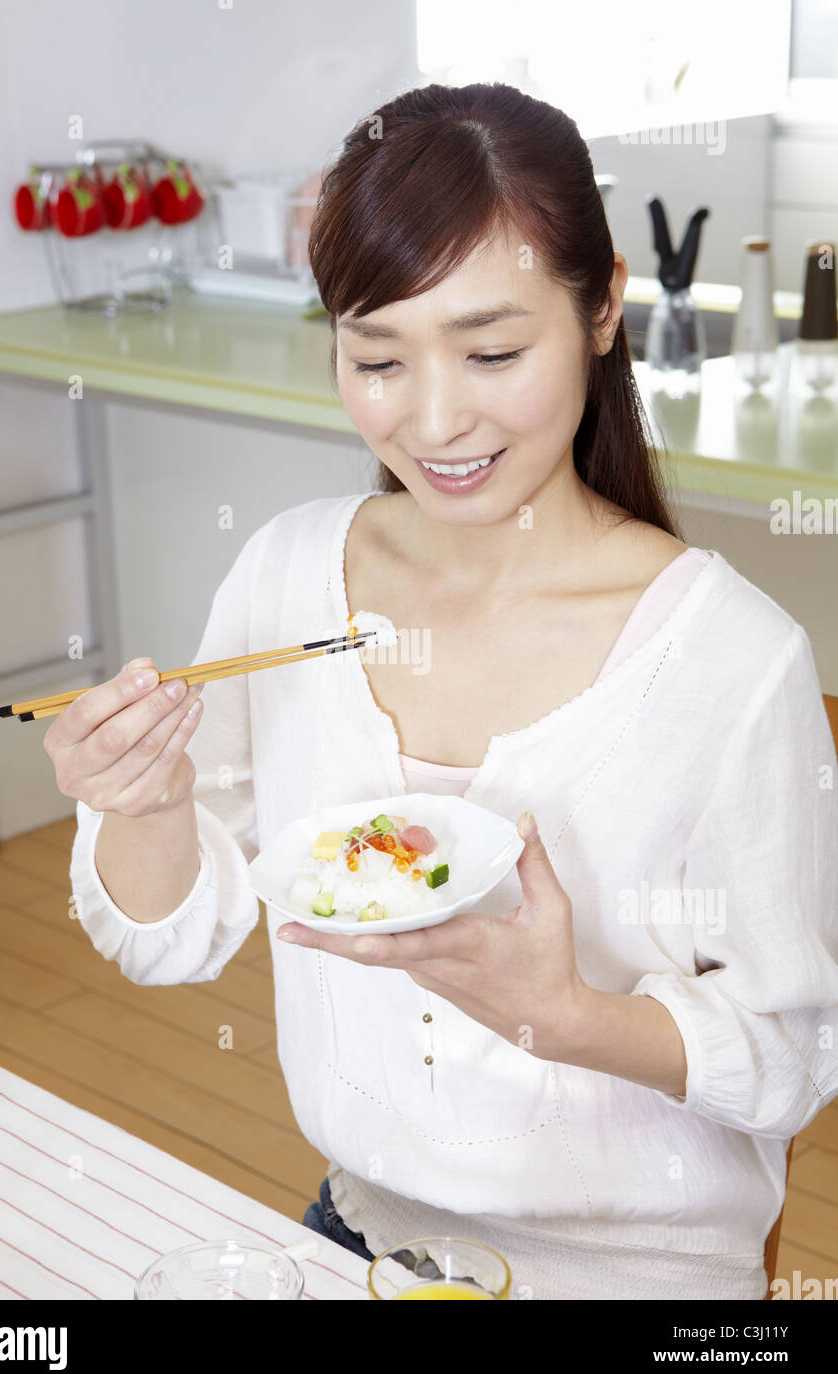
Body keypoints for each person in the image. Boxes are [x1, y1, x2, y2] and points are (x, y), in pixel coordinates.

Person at [47, 83, 838, 1300]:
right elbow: (171, 945)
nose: (431, 419)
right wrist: (145, 804)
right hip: (366, 1237)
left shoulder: (735, 660)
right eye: (375, 357)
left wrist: (561, 1013)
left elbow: (790, 1060)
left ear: (603, 307)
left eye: (492, 352)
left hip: (634, 1276)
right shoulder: (289, 575)